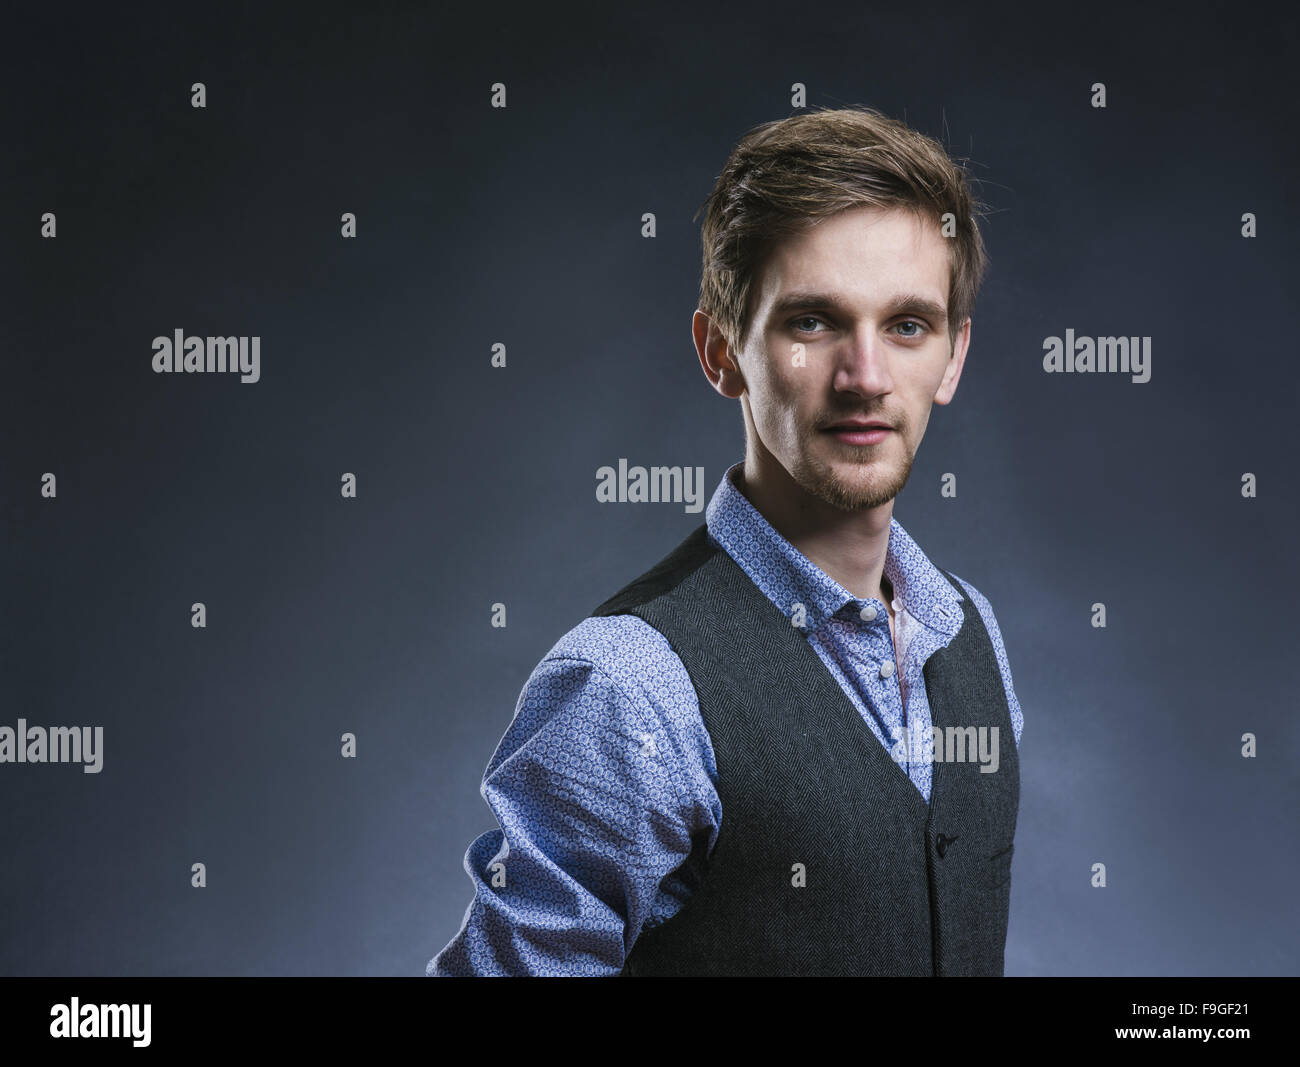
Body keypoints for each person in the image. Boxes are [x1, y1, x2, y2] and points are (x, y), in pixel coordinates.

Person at [428, 106, 1023, 976]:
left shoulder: (976, 638)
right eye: (813, 322)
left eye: (907, 325)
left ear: (953, 355)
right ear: (721, 351)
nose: (864, 376)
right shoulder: (630, 688)